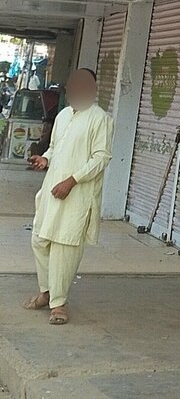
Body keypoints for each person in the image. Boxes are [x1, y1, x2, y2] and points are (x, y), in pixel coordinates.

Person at [23, 69, 114, 326]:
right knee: (39, 239)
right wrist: (45, 159)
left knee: (65, 248)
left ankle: (59, 304)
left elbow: (101, 158)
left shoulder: (100, 119)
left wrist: (72, 180)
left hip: (77, 193)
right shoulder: (63, 115)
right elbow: (55, 147)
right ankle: (47, 291)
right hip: (52, 188)